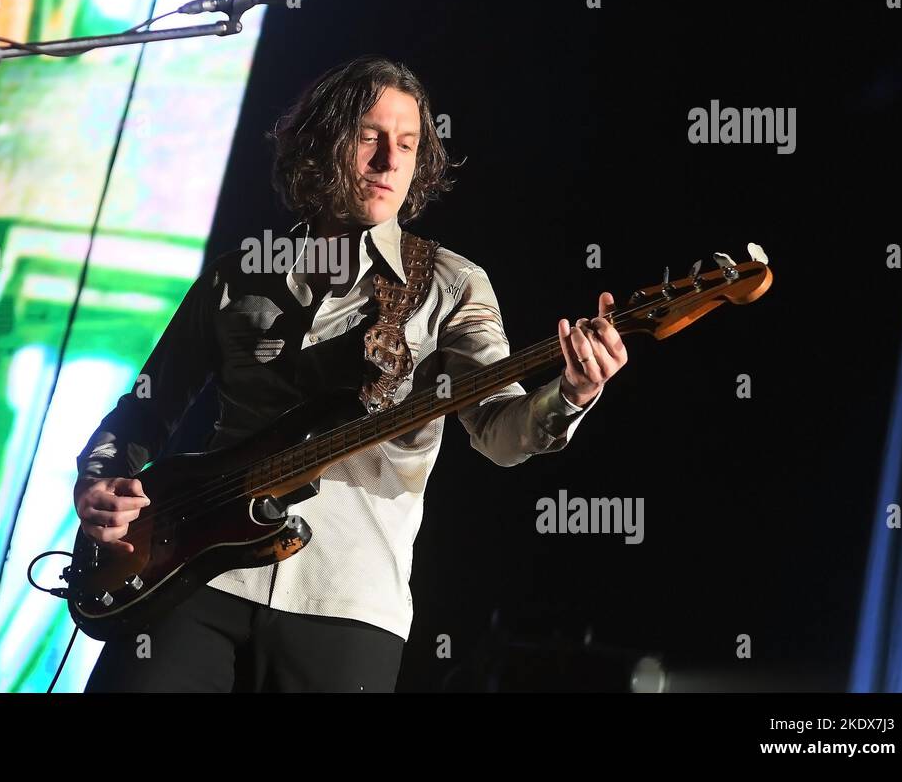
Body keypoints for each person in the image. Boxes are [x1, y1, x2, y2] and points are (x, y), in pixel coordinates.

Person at [73, 55, 628, 692]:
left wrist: (572, 393)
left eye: (409, 143)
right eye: (370, 137)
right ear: (320, 145)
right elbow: (143, 410)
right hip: (194, 579)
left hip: (348, 600)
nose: (390, 160)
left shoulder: (452, 284)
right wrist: (98, 481)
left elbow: (501, 432)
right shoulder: (237, 276)